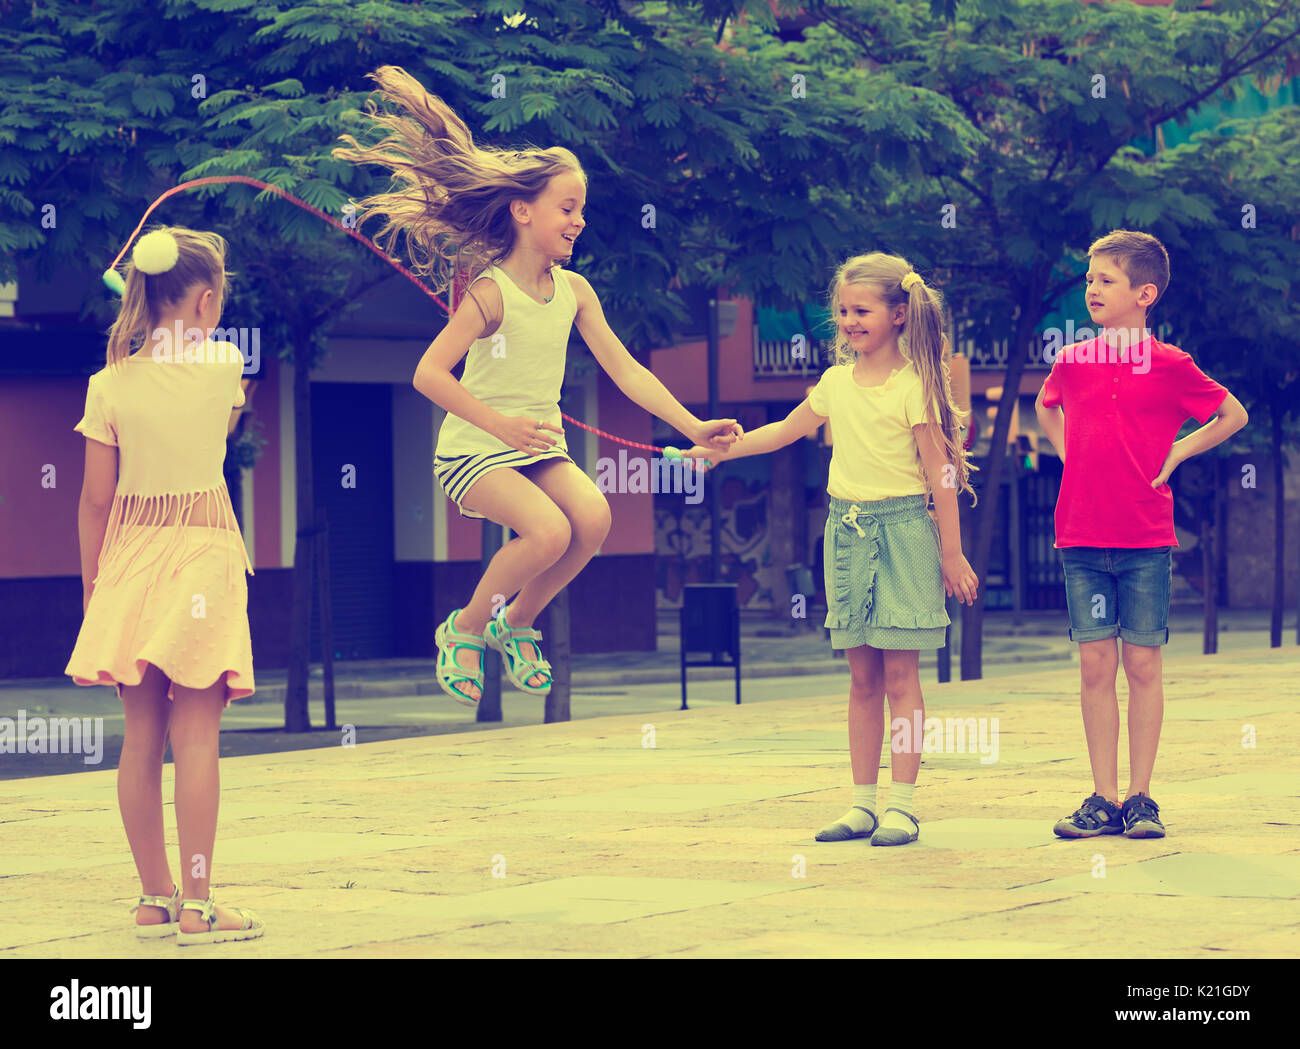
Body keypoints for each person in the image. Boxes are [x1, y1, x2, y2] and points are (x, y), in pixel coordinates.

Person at [333, 65, 741, 705]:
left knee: (594, 521)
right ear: (523, 211)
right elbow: (428, 374)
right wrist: (501, 425)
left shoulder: (575, 292)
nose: (579, 221)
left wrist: (692, 428)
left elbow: (625, 368)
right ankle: (464, 628)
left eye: (582, 211)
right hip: (473, 447)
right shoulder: (490, 292)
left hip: (537, 444)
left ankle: (515, 621)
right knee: (548, 532)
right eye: (568, 209)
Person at [684, 253, 979, 846]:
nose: (848, 320)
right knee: (860, 676)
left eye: (861, 310)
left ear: (899, 314)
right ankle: (862, 804)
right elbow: (783, 432)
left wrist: (952, 551)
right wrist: (720, 448)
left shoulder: (914, 386)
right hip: (845, 533)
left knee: (901, 675)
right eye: (842, 310)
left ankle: (903, 805)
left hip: (904, 532)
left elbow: (941, 472)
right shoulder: (835, 383)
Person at [65, 226, 264, 944]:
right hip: (201, 554)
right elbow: (223, 423)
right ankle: (201, 905)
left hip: (127, 562)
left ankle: (154, 898)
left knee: (140, 733)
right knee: (198, 734)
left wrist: (96, 588)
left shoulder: (107, 385)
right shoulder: (224, 364)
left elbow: (94, 500)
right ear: (208, 301)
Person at [1036, 229, 1248, 840]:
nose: (1092, 289)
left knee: (1144, 667)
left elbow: (1231, 413)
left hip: (1146, 539)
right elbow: (1048, 407)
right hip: (1080, 537)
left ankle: (1140, 798)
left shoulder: (1172, 364)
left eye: (1106, 280)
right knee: (1095, 667)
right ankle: (1101, 797)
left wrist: (1177, 453)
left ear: (1144, 293)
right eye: (1089, 280)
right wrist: (1066, 454)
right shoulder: (1072, 362)